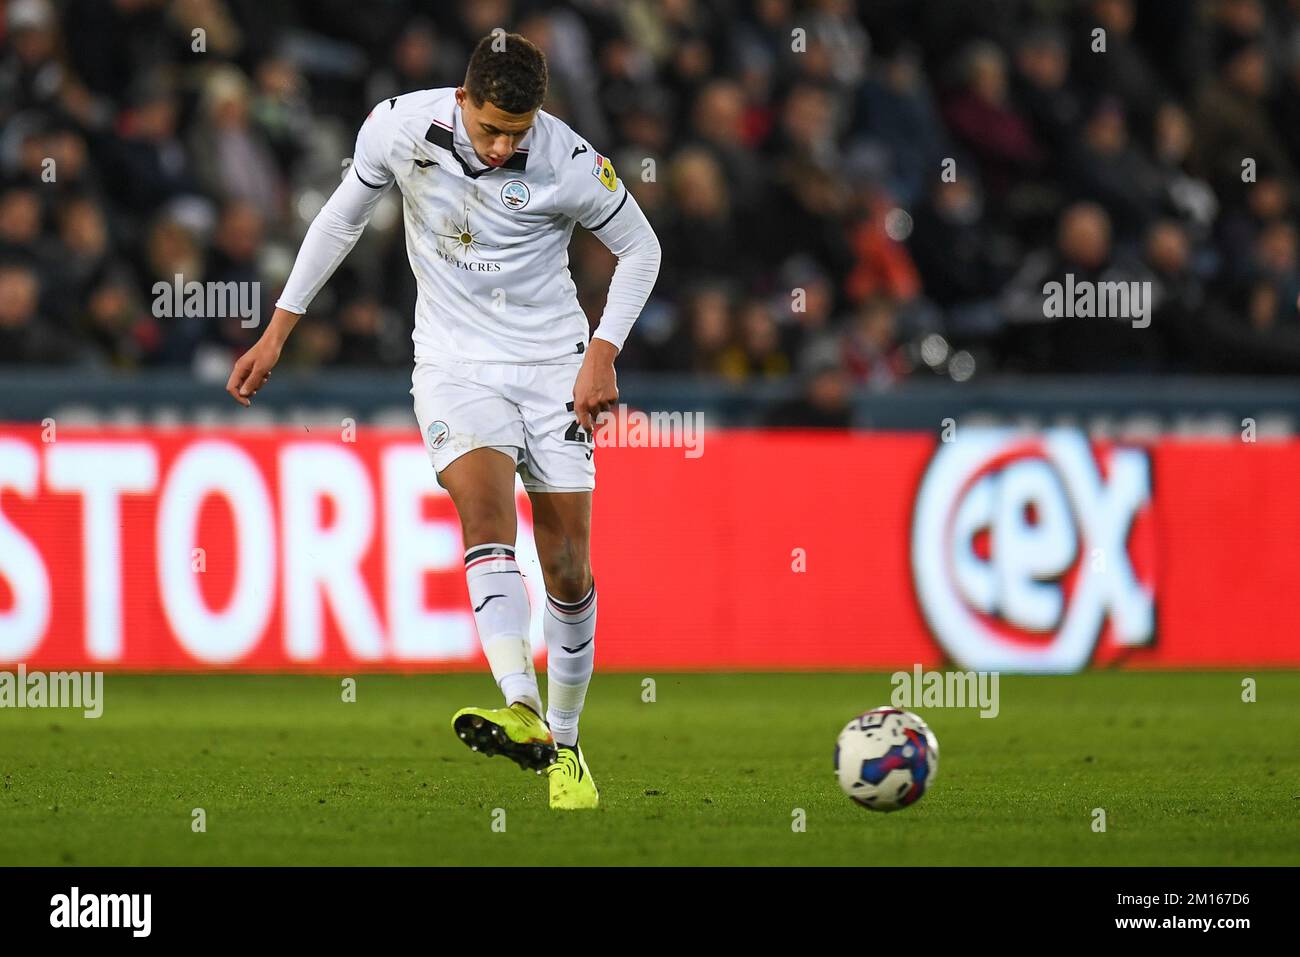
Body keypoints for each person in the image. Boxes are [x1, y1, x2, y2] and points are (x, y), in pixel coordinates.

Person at [225, 33, 662, 810]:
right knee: (485, 517)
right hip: (454, 367)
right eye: (491, 127)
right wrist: (276, 330)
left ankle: (565, 746)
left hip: (554, 365)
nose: (502, 146)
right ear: (462, 100)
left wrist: (602, 351)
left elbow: (641, 250)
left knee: (567, 566)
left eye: (517, 133)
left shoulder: (568, 160)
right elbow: (339, 220)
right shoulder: (398, 128)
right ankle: (521, 703)